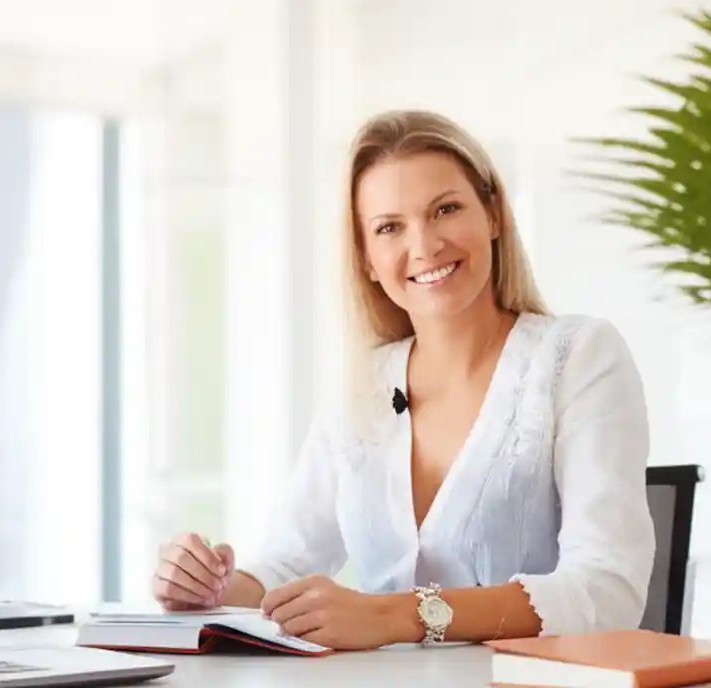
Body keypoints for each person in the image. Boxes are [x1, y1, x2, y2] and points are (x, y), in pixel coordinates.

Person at [150, 110, 655, 650]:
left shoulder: (578, 356)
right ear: (366, 257)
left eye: (446, 209)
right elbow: (286, 561)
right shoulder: (363, 384)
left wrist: (399, 615)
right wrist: (212, 591)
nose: (425, 245)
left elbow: (607, 589)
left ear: (494, 215)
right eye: (390, 227)